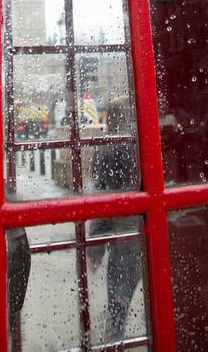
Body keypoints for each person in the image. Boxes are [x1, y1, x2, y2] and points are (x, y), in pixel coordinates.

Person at [87, 96, 142, 343]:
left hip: (123, 236)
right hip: (149, 229)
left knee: (118, 305)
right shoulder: (144, 142)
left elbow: (100, 197)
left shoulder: (104, 146)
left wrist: (96, 246)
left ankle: (115, 343)